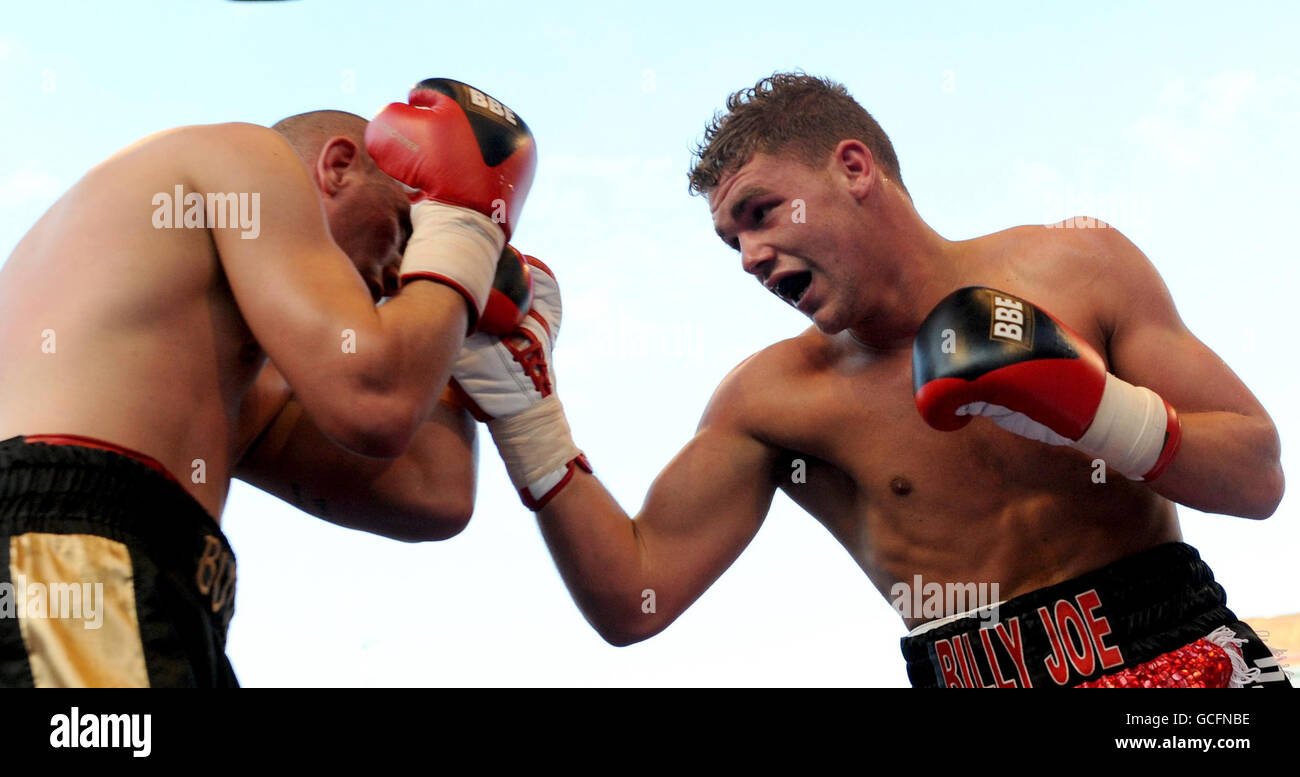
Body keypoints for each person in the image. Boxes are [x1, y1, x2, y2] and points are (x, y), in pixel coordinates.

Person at [453, 73, 1287, 687]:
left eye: (761, 212)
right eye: (729, 242)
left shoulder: (1077, 266)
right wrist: (528, 414)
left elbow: (1257, 477)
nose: (749, 258)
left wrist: (1095, 409)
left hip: (1182, 659)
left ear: (854, 168)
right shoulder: (773, 401)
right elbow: (634, 598)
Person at [0, 78, 535, 687]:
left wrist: (453, 333)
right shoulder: (246, 156)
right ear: (337, 168)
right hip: (70, 556)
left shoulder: (218, 366)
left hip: (153, 592)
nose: (398, 281)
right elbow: (375, 399)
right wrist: (463, 231)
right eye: (406, 232)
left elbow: (431, 495)